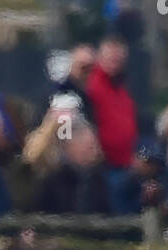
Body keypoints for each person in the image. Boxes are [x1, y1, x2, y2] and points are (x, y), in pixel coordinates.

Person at [86, 36, 138, 212]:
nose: (115, 63)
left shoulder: (122, 89)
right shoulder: (92, 86)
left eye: (119, 59)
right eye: (111, 58)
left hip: (125, 163)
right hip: (104, 165)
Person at [34, 122, 110, 215]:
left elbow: (106, 215)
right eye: (87, 147)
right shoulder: (52, 180)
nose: (93, 152)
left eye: (93, 146)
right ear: (69, 146)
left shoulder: (98, 179)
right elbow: (37, 214)